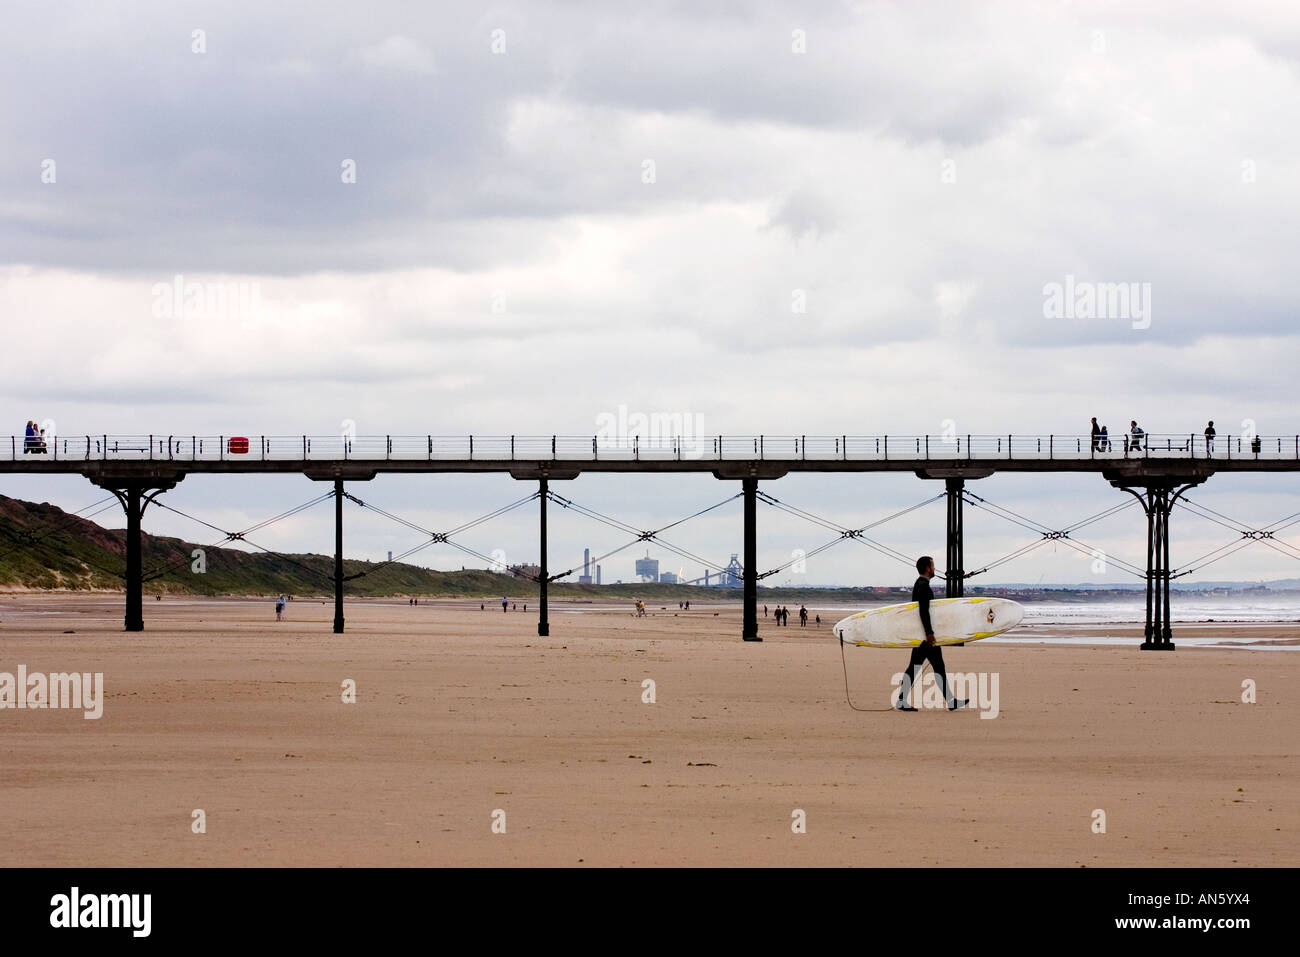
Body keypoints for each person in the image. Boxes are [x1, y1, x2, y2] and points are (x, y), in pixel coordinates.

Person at [895, 556, 968, 712]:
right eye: (933, 566)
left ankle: (949, 701)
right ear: (927, 568)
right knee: (933, 667)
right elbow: (923, 611)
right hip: (925, 637)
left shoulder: (919, 584)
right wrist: (929, 633)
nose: (934, 569)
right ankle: (950, 701)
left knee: (920, 667)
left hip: (921, 635)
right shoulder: (924, 587)